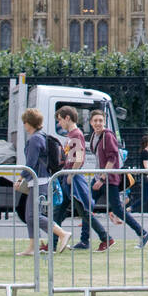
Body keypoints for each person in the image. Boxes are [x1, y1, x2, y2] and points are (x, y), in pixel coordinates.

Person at [88, 109, 148, 249]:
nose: (98, 123)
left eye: (100, 120)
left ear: (104, 122)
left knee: (118, 210)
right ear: (91, 122)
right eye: (95, 120)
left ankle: (143, 233)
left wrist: (102, 179)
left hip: (108, 179)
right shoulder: (94, 136)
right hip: (99, 177)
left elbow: (112, 157)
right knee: (86, 206)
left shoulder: (107, 136)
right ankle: (85, 240)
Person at [15, 108, 71, 256]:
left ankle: (62, 233)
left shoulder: (34, 139)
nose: (24, 125)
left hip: (39, 180)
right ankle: (32, 246)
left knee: (34, 215)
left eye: (25, 123)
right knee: (30, 215)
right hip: (41, 180)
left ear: (29, 123)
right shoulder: (42, 136)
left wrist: (21, 177)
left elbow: (31, 162)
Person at [53, 106, 110, 250]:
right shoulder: (73, 135)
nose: (59, 123)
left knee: (83, 212)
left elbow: (78, 158)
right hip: (70, 176)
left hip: (72, 178)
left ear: (67, 118)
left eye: (60, 120)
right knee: (60, 213)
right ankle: (52, 243)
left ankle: (106, 238)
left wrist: (71, 174)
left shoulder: (75, 135)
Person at [129, 134, 148, 216]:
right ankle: (130, 208)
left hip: (147, 176)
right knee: (146, 197)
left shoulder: (146, 152)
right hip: (146, 177)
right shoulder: (145, 152)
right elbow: (146, 165)